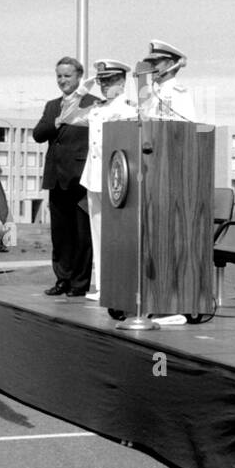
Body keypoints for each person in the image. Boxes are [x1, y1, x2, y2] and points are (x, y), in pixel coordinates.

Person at [33, 58, 98, 298]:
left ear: (79, 77)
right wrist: (57, 121)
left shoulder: (93, 103)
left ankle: (79, 284)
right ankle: (62, 279)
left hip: (81, 178)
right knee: (60, 235)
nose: (62, 81)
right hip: (56, 177)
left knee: (82, 234)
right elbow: (38, 134)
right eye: (59, 76)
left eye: (67, 76)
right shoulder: (52, 106)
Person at [73, 59, 136, 301]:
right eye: (101, 81)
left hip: (116, 178)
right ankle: (102, 286)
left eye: (108, 80)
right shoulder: (96, 109)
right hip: (93, 177)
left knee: (117, 233)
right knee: (97, 231)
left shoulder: (129, 110)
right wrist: (82, 89)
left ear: (122, 81)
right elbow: (67, 116)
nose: (104, 86)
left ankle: (117, 284)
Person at [137, 40, 196, 121]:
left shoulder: (179, 93)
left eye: (154, 63)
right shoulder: (154, 95)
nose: (151, 68)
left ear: (170, 65)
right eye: (150, 65)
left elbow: (188, 126)